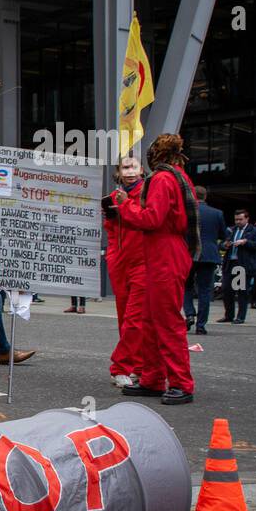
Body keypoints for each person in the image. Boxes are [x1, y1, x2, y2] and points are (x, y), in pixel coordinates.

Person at [113, 133, 198, 404]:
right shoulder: (178, 176)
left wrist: (124, 205)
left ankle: (180, 383)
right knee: (151, 319)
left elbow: (152, 218)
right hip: (168, 250)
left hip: (164, 251)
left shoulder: (161, 179)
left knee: (166, 320)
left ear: (155, 155)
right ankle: (153, 378)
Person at [103, 155, 146, 385]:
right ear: (118, 172)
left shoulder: (148, 193)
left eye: (133, 167)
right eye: (125, 168)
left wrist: (125, 205)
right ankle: (136, 366)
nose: (129, 171)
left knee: (134, 316)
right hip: (120, 260)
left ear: (142, 169)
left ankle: (121, 366)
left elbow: (146, 220)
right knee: (125, 316)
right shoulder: (112, 197)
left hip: (142, 260)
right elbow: (110, 229)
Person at [183, 185, 224, 334]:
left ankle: (189, 314)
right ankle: (201, 325)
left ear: (193, 195)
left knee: (186, 287)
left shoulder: (186, 212)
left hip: (189, 253)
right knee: (205, 291)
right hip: (209, 255)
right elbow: (223, 234)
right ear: (205, 197)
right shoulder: (217, 213)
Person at [219, 208, 256, 324]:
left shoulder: (253, 231)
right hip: (230, 263)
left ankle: (240, 316)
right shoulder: (231, 230)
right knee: (227, 289)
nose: (238, 222)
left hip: (242, 264)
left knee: (242, 291)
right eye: (236, 219)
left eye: (240, 219)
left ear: (247, 219)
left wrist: (245, 242)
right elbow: (221, 244)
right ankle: (229, 315)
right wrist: (224, 245)